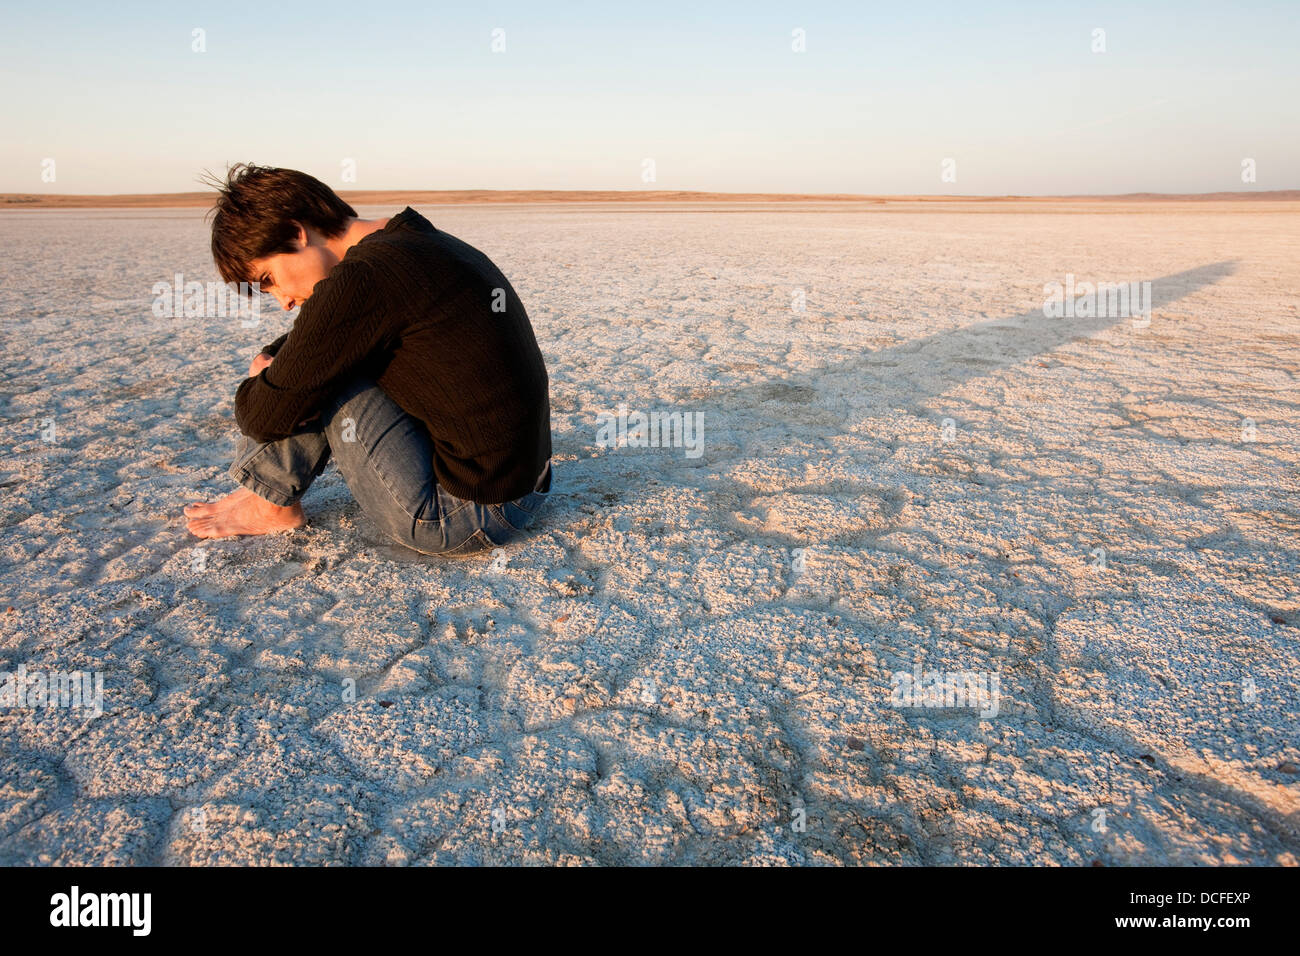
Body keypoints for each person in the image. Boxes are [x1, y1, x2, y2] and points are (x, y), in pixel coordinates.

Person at [183, 164, 553, 557]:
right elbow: (312, 338)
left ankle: (269, 502)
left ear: (295, 232)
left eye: (269, 279)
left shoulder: (364, 277)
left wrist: (258, 385)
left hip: (464, 514)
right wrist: (275, 361)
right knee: (315, 363)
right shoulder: (409, 242)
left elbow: (264, 416)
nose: (285, 301)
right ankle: (269, 494)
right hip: (523, 485)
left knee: (316, 377)